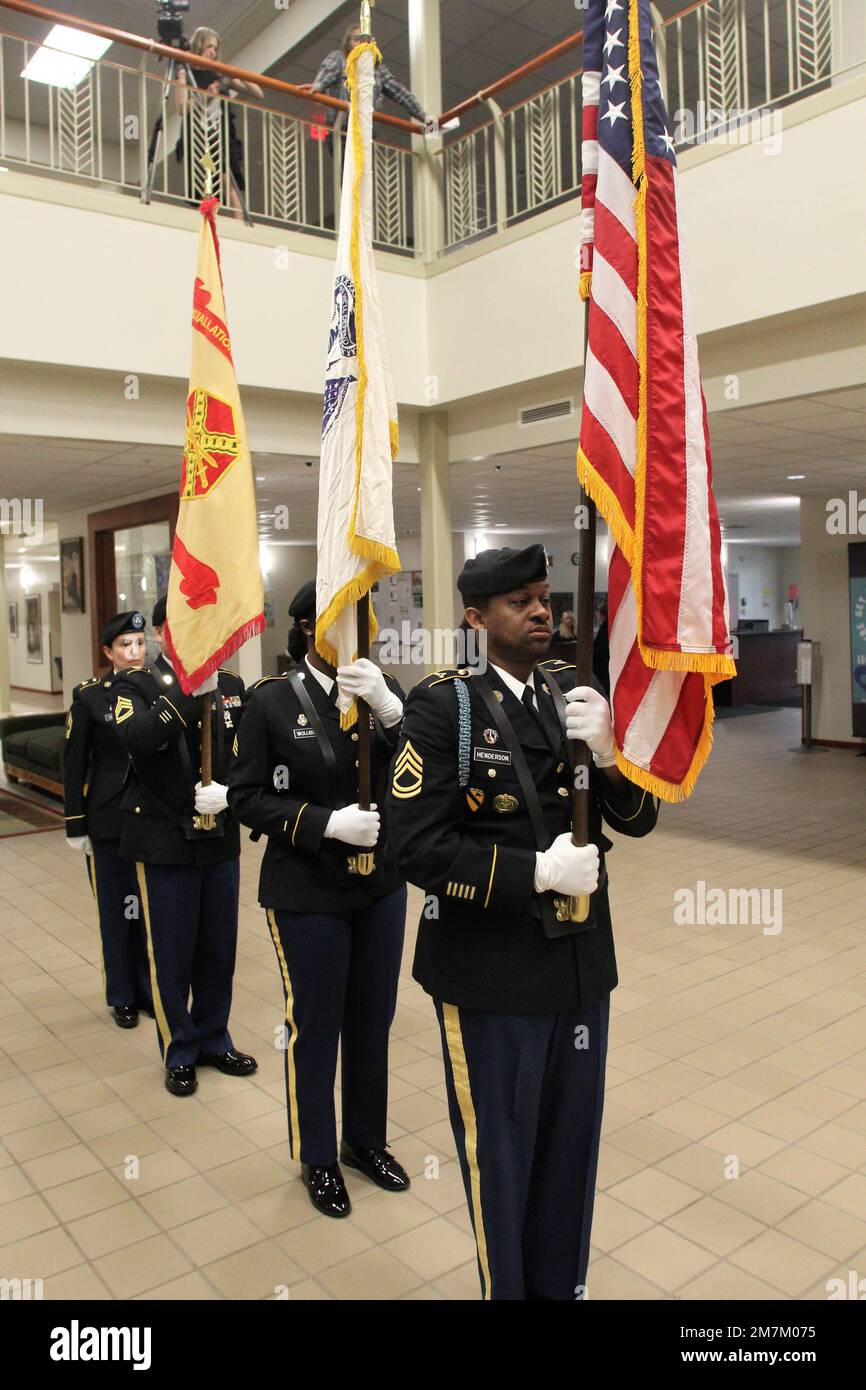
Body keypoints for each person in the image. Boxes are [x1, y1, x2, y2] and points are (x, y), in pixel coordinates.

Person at [387, 544, 659, 1300]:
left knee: (571, 1153)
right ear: (477, 618)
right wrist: (536, 872)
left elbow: (639, 819)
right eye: (519, 602)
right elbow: (416, 848)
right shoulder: (445, 708)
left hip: (578, 964)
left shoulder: (574, 688)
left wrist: (610, 753)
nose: (542, 611)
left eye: (544, 597)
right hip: (490, 973)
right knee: (502, 1162)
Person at [228, 581, 410, 1219]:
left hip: (381, 885)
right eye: (345, 623)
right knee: (318, 1023)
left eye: (368, 622)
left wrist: (392, 713)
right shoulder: (271, 703)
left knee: (372, 1018)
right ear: (308, 628)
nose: (364, 635)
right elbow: (246, 796)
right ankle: (319, 1156)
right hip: (308, 889)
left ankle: (365, 1140)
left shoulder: (384, 694)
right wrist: (324, 823)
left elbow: (422, 777)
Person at [110, 596, 255, 1097]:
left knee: (219, 948)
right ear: (160, 633)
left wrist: (232, 794)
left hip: (219, 837)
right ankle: (181, 1048)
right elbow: (137, 739)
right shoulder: (135, 684)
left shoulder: (233, 686)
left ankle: (214, 1036)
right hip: (165, 837)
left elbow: (248, 755)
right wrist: (190, 695)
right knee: (171, 952)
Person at [63, 611, 153, 1030]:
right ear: (108, 652)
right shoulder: (89, 697)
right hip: (108, 818)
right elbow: (74, 762)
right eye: (125, 645)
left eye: (139, 643)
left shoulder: (158, 688)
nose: (135, 653)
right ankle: (122, 993)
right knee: (118, 909)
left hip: (152, 816)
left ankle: (148, 987)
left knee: (149, 909)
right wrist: (75, 823)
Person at [175, 27, 263, 214]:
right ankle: (213, 225)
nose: (213, 52)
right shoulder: (186, 72)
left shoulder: (221, 74)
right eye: (209, 47)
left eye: (215, 48)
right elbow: (182, 107)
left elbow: (257, 93)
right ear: (199, 46)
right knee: (208, 182)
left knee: (228, 177)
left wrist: (238, 74)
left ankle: (239, 224)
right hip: (199, 134)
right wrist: (206, 97)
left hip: (221, 132)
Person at [299, 23, 436, 139]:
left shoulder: (378, 70)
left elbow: (402, 94)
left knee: (363, 169)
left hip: (366, 132)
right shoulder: (339, 58)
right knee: (349, 167)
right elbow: (326, 75)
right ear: (348, 43)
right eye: (356, 39)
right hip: (343, 130)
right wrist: (317, 87)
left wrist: (426, 118)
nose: (361, 44)